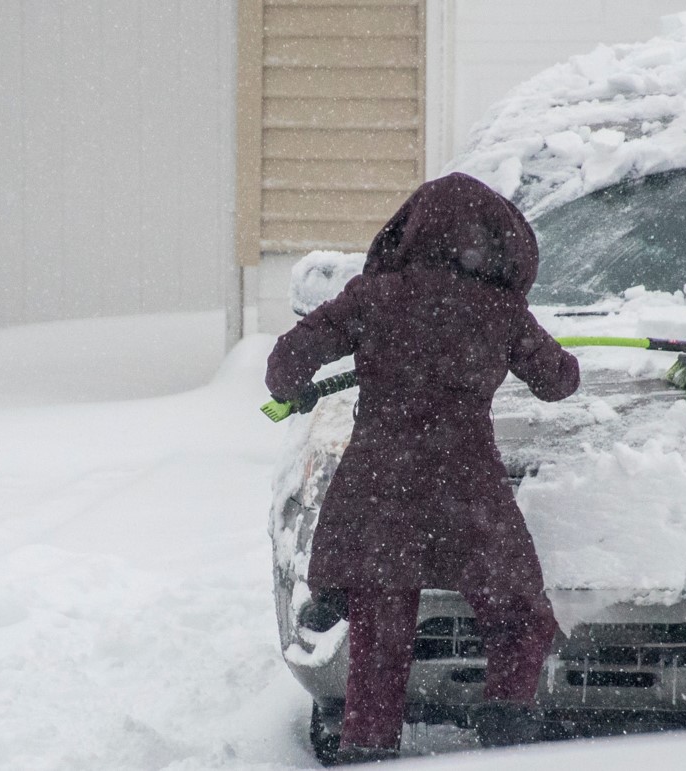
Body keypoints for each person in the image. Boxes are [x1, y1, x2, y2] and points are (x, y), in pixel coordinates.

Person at [265, 172, 580, 763]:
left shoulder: (372, 296)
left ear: (408, 231)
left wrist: (296, 388)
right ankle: (507, 723)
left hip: (379, 487)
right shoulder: (500, 309)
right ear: (498, 240)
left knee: (380, 629)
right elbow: (558, 382)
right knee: (518, 612)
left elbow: (286, 362)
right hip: (467, 487)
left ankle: (367, 744)